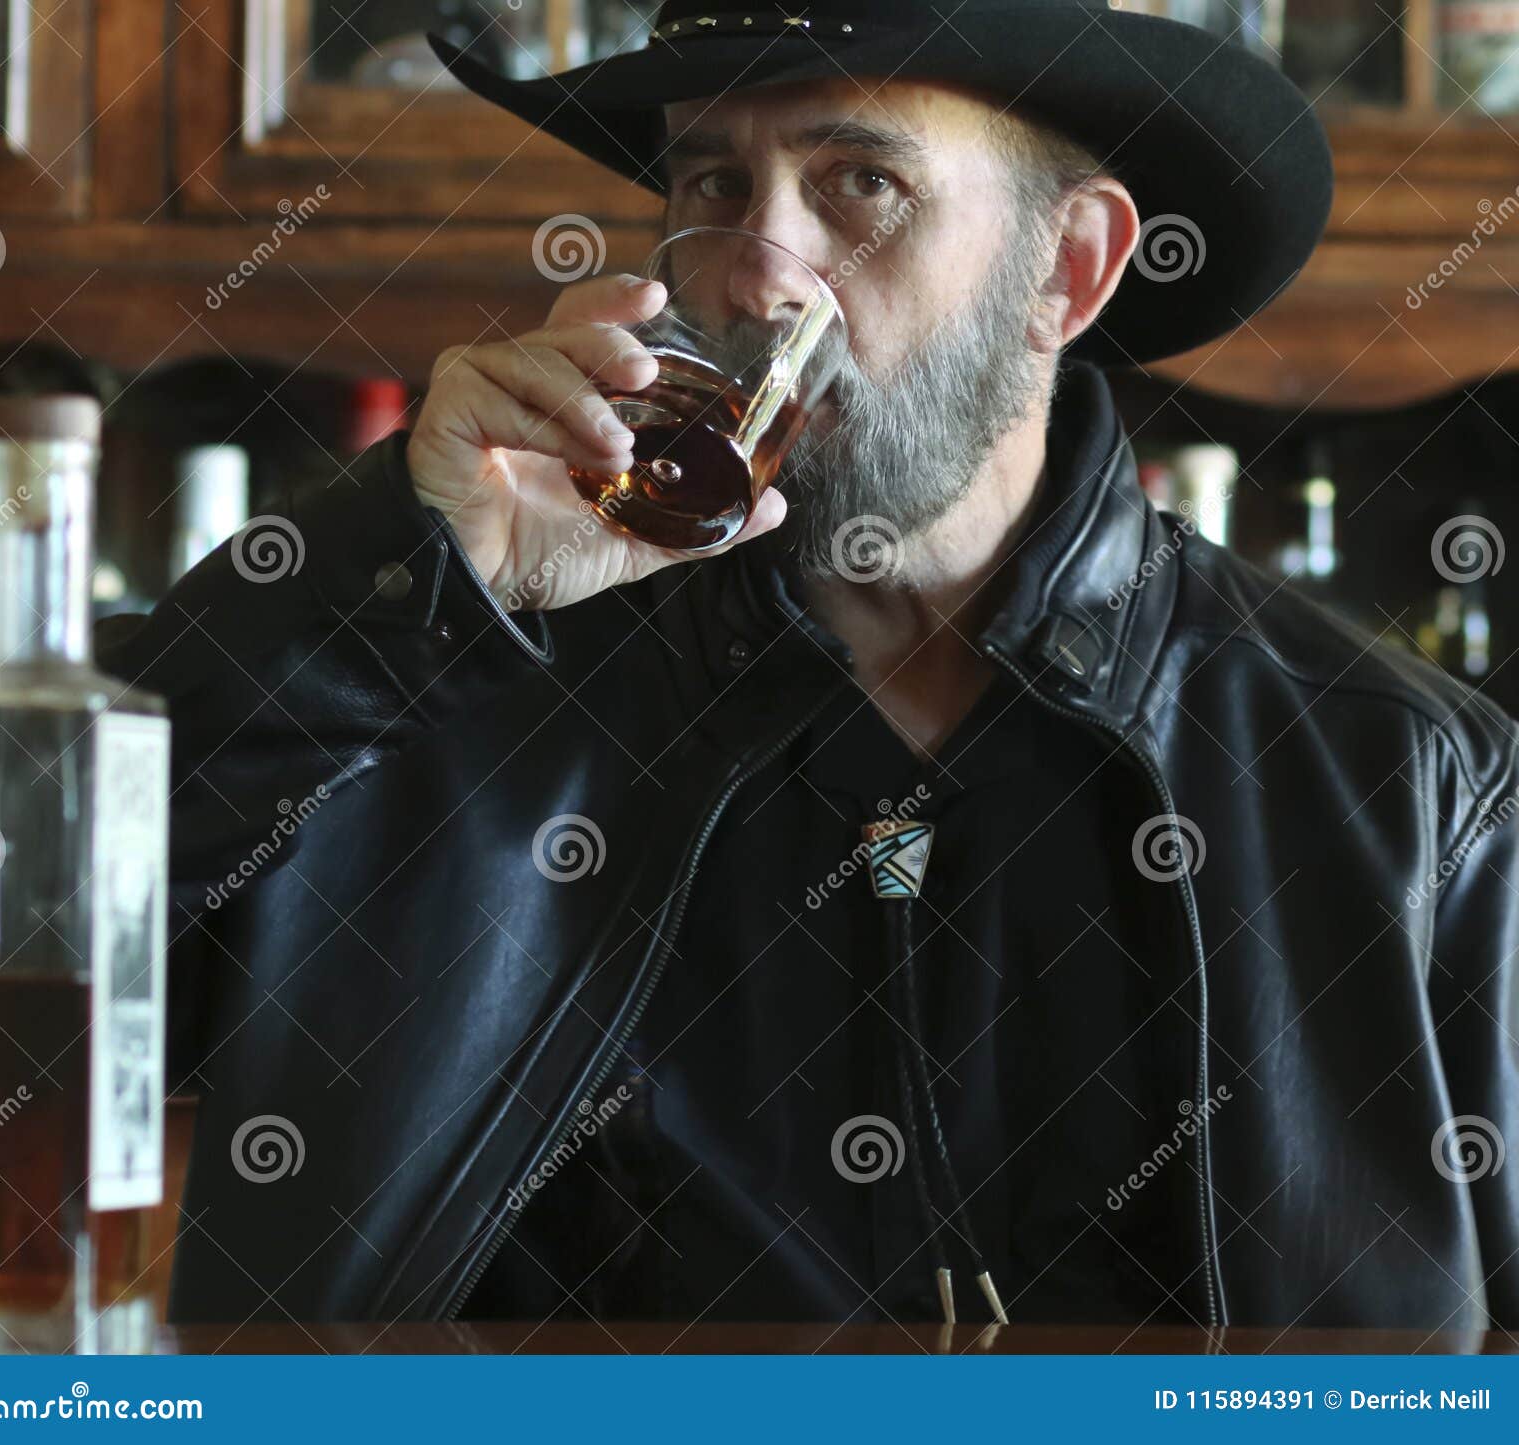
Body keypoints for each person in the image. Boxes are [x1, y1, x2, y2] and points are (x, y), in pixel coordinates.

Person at [100, 1, 1519, 1334]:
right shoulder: (430, 686)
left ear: (1069, 268)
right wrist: (396, 584)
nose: (756, 263)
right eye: (713, 186)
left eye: (859, 185)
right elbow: (35, 958)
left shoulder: (1409, 783)